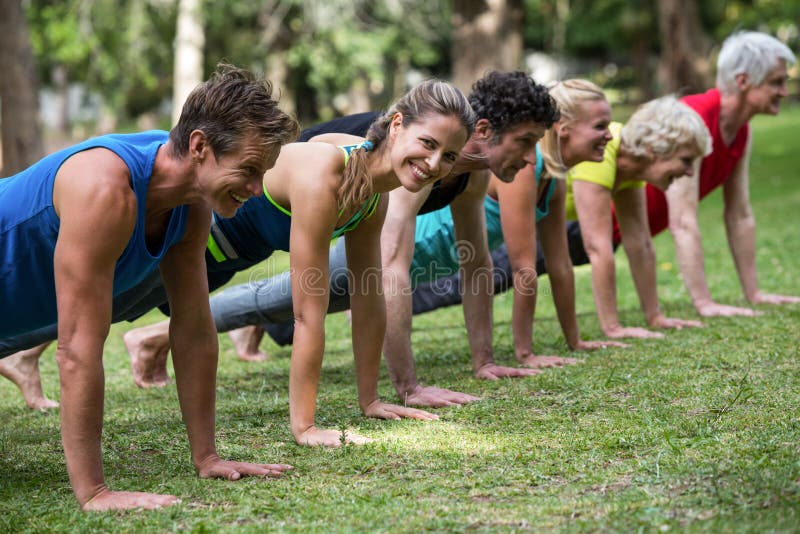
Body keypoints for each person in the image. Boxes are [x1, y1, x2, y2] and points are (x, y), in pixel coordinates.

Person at [132, 71, 561, 409]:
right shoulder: (380, 168)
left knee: (152, 303)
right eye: (525, 142)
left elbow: (469, 265)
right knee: (127, 297)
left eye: (446, 155)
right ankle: (153, 336)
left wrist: (482, 362)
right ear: (398, 127)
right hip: (218, 225)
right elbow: (387, 272)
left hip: (249, 245)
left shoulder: (440, 174)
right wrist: (407, 387)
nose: (531, 159)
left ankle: (161, 335)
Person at [0, 65, 299, 511]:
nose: (258, 189)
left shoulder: (190, 205)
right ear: (199, 146)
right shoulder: (105, 189)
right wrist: (95, 492)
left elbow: (194, 329)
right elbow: (77, 351)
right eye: (249, 170)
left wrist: (208, 457)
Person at [652, 31, 800, 316]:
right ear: (743, 81)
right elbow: (682, 221)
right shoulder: (692, 120)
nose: (784, 91)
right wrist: (704, 303)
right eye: (776, 82)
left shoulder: (741, 131)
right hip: (591, 228)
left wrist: (754, 294)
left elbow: (739, 214)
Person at [564, 95, 711, 337]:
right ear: (655, 149)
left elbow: (639, 243)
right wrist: (613, 328)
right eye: (685, 160)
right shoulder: (601, 153)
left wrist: (655, 317)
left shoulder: (631, 163)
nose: (689, 173)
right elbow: (598, 247)